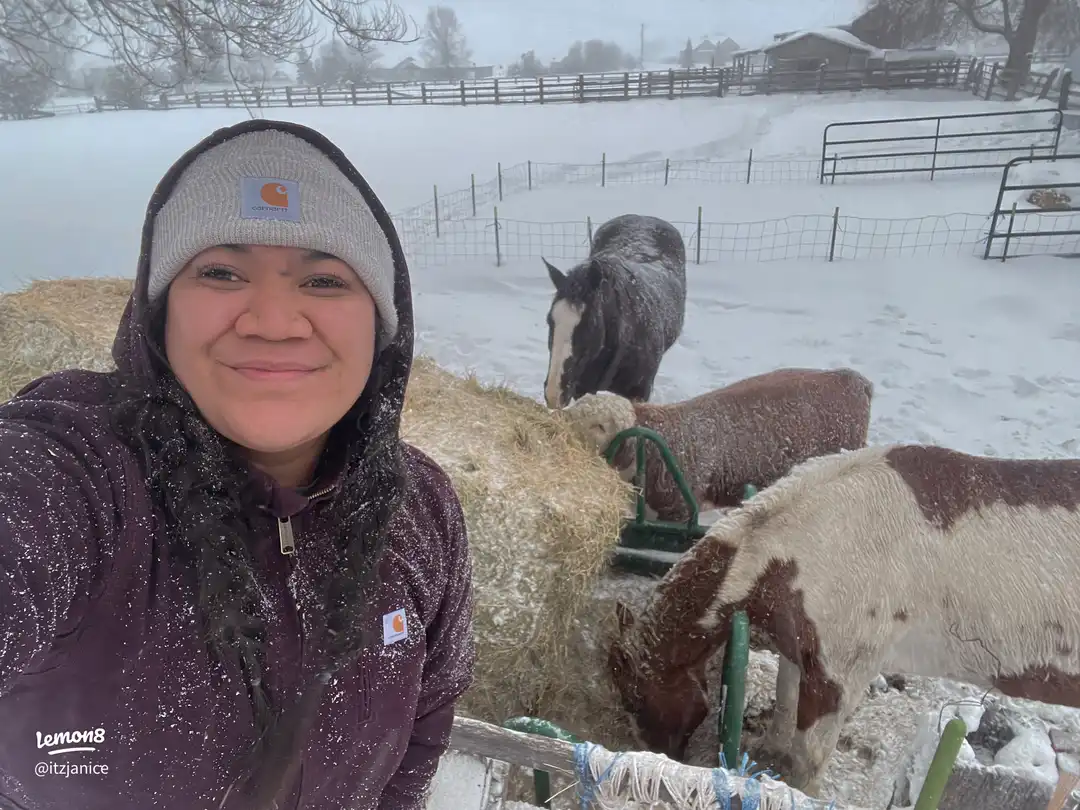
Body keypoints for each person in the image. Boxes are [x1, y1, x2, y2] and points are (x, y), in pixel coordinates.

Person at [0, 119, 475, 810]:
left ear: (383, 323)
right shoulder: (75, 475)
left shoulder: (421, 509)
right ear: (158, 312)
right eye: (221, 271)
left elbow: (426, 725)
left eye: (323, 278)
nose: (275, 321)